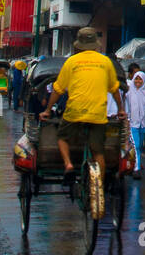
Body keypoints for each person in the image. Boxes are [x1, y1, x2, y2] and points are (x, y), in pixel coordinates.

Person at [41, 28, 125, 180]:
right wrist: (121, 109)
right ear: (95, 44)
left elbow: (58, 90)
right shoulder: (106, 62)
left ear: (79, 45)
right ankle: (100, 186)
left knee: (62, 137)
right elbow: (115, 90)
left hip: (75, 112)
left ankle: (68, 165)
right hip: (98, 114)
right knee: (98, 152)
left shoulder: (71, 62)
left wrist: (47, 110)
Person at [125, 65, 145, 179]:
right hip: (132, 123)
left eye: (140, 79)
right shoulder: (129, 91)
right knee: (136, 145)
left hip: (142, 124)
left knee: (139, 146)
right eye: (136, 79)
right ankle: (136, 169)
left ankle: (133, 164)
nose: (137, 81)